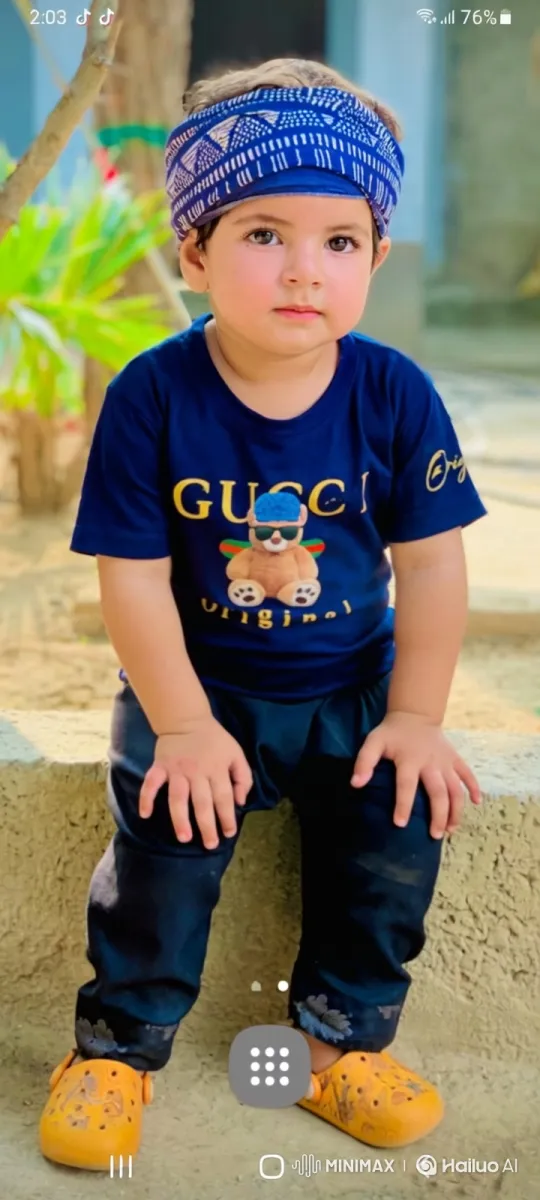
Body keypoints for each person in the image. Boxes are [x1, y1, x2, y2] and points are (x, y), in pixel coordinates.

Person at [38, 58, 486, 1172]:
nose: (304, 270)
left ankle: (341, 1041)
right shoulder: (152, 393)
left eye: (341, 242)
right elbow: (132, 576)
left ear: (377, 258)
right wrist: (182, 728)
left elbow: (432, 568)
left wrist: (418, 716)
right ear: (194, 252)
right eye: (262, 234)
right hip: (200, 686)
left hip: (351, 687)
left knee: (396, 831)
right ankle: (118, 1049)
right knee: (165, 848)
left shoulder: (393, 395)